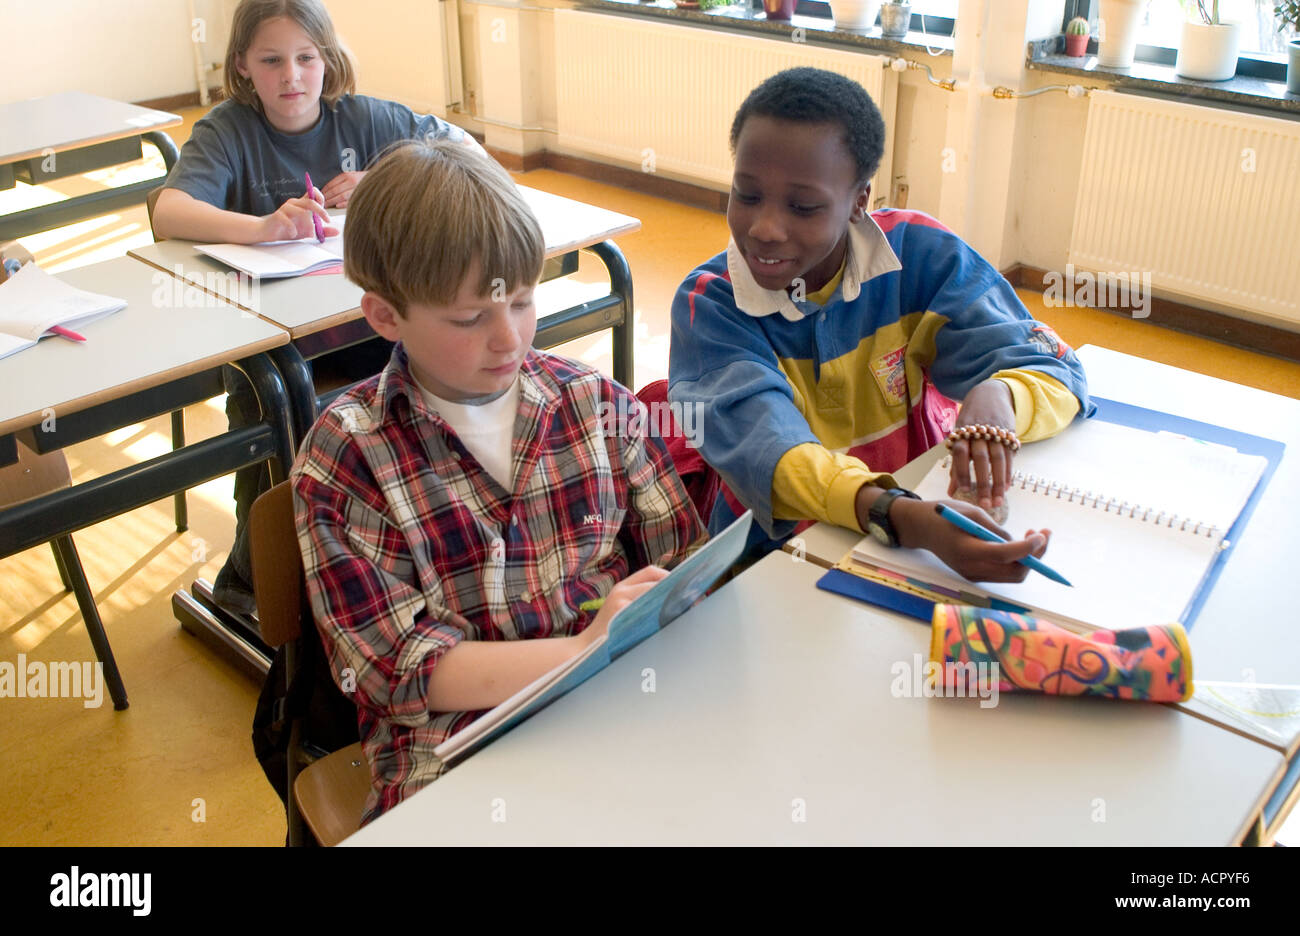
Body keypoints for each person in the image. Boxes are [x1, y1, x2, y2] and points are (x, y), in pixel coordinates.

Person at [291, 139, 703, 824]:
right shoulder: (347, 453)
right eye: (470, 318)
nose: (510, 338)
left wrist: (658, 614)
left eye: (521, 300)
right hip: (452, 744)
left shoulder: (595, 402)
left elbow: (681, 557)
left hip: (617, 700)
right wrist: (581, 649)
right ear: (385, 316)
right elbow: (397, 670)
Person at [669, 67, 1094, 582]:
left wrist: (1000, 396)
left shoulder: (917, 255)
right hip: (769, 560)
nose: (764, 228)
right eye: (747, 194)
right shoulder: (711, 304)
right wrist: (905, 518)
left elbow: (1055, 366)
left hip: (906, 537)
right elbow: (775, 457)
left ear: (860, 201)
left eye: (803, 206)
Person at [153, 0, 485, 614]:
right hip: (269, 348)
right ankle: (250, 581)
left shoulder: (362, 120)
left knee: (436, 378)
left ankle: (385, 558)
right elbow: (168, 212)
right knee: (274, 415)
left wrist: (391, 179)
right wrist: (259, 229)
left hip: (368, 329)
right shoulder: (229, 131)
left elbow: (467, 155)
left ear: (328, 61)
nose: (292, 77)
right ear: (242, 66)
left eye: (307, 58)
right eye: (272, 60)